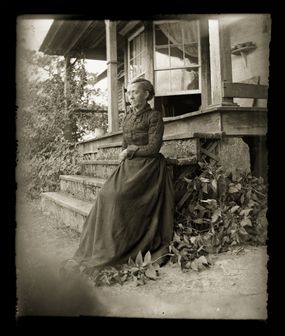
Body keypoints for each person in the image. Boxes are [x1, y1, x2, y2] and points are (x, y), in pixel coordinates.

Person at [66, 78, 174, 274]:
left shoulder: (154, 117)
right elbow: (124, 145)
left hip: (149, 166)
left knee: (119, 197)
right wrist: (126, 153)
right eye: (129, 92)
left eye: (135, 92)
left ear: (147, 94)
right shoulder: (128, 117)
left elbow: (153, 147)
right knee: (105, 195)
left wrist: (130, 151)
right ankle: (104, 245)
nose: (130, 96)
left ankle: (124, 245)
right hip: (129, 165)